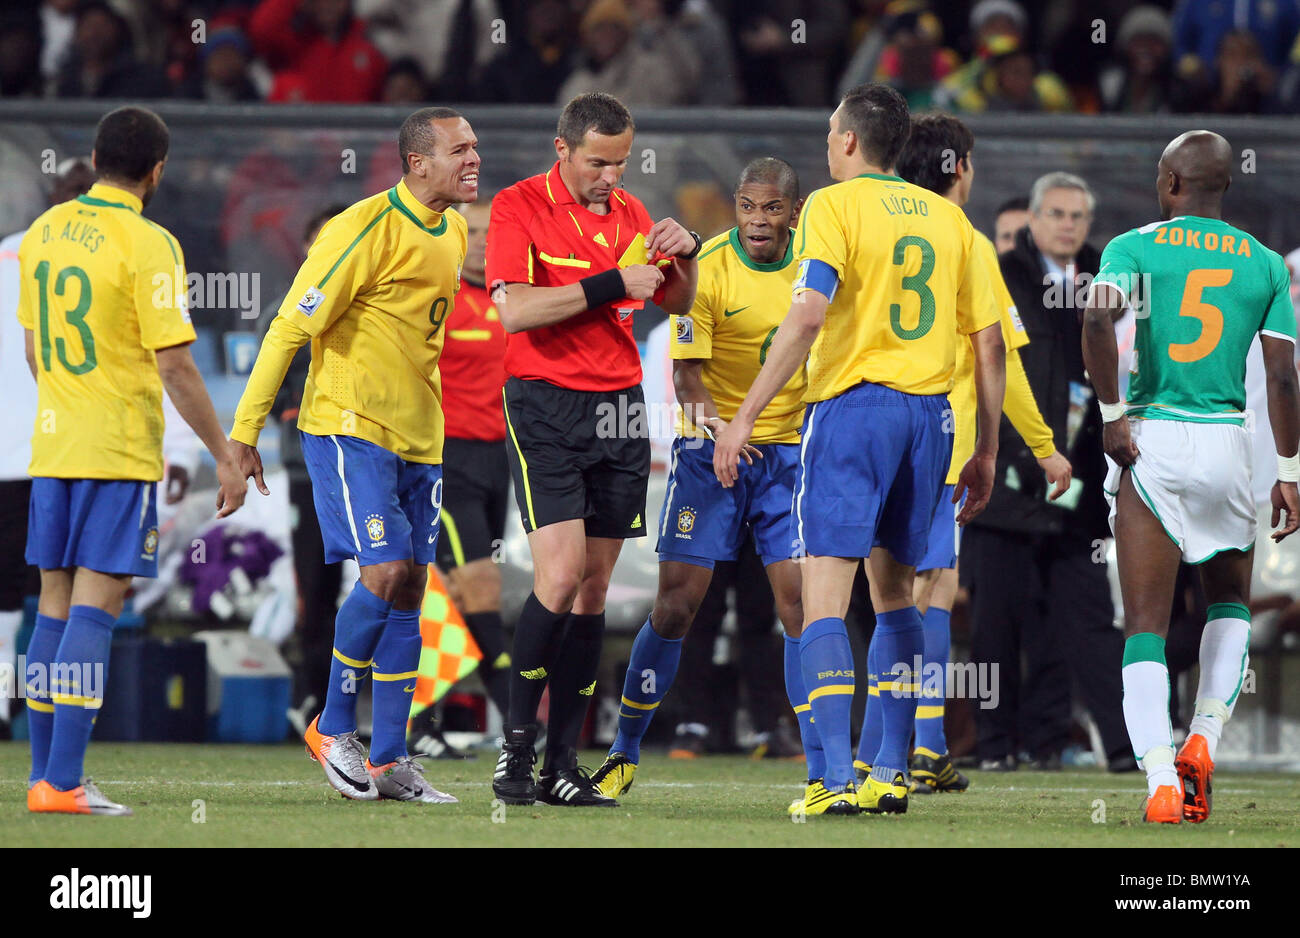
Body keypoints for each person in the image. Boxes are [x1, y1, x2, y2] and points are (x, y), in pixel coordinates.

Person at [714, 83, 1006, 816]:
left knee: (824, 597)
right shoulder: (948, 218)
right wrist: (987, 450)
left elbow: (808, 311)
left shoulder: (831, 206)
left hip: (853, 410)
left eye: (828, 135)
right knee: (897, 598)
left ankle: (832, 781)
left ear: (848, 141)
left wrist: (746, 414)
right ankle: (889, 772)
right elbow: (989, 343)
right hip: (933, 419)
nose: (826, 147)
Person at [229, 106, 479, 804]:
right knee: (384, 569)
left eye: (475, 148)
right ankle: (334, 725)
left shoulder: (454, 230)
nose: (473, 160)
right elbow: (285, 329)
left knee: (410, 587)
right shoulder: (360, 227)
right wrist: (243, 435)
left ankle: (390, 757)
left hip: (419, 438)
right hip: (348, 427)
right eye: (458, 150)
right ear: (416, 162)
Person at [21, 106, 248, 816]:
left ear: (92, 157)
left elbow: (33, 351)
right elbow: (177, 366)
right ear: (157, 170)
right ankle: (64, 783)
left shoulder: (43, 231)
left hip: (54, 446)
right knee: (98, 606)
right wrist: (226, 454)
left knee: (52, 607)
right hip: (116, 451)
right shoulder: (150, 244)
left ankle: (43, 778)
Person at [486, 92, 699, 807]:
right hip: (544, 403)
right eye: (598, 162)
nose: (612, 175)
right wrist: (611, 282)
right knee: (560, 574)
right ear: (563, 150)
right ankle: (514, 751)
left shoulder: (635, 216)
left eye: (622, 161)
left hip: (620, 409)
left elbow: (675, 304)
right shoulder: (519, 207)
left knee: (595, 589)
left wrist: (686, 256)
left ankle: (562, 766)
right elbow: (514, 308)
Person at [1082, 130, 1300, 824]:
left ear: (1170, 183)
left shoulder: (1134, 246)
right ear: (1225, 188)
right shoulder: (1266, 264)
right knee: (1229, 602)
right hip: (1228, 444)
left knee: (1145, 622)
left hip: (1155, 438)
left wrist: (1112, 416)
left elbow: (1094, 316)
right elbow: (1284, 376)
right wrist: (1288, 471)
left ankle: (1159, 782)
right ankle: (1202, 743)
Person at [853, 114, 1071, 795]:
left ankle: (877, 750)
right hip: (936, 439)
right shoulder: (966, 241)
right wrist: (1044, 448)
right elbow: (995, 361)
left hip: (862, 428)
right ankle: (919, 746)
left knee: (883, 592)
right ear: (960, 167)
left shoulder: (873, 224)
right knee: (932, 593)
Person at [588, 157, 808, 801]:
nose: (759, 220)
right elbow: (687, 376)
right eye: (748, 206)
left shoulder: (816, 271)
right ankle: (625, 750)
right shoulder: (706, 266)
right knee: (677, 606)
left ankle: (822, 765)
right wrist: (718, 435)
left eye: (772, 208)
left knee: (798, 609)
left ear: (793, 212)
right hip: (708, 452)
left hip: (789, 456)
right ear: (735, 207)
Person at [966, 171, 1132, 773]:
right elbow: (987, 367)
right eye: (1056, 214)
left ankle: (1118, 747)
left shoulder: (1110, 278)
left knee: (1086, 620)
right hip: (1005, 478)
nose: (1067, 225)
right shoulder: (999, 275)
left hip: (1080, 482)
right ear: (1033, 219)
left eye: (1077, 215)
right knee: (996, 623)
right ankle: (994, 746)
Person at [0, 158, 97, 740]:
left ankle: (34, 717)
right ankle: (55, 726)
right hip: (58, 448)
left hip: (44, 447)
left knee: (32, 591)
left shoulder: (12, 251)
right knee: (63, 588)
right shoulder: (110, 255)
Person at [414, 195, 512, 753]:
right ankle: (515, 712)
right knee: (478, 583)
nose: (479, 242)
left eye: (487, 233)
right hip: (448, 461)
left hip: (501, 460)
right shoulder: (439, 299)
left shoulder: (515, 300)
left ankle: (422, 724)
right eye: (470, 232)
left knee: (451, 591)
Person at [263, 203, 348, 737]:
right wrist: (297, 413)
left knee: (394, 583)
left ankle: (406, 711)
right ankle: (315, 698)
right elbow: (268, 386)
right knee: (316, 588)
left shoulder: (377, 301)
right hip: (309, 468)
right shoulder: (286, 308)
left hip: (376, 461)